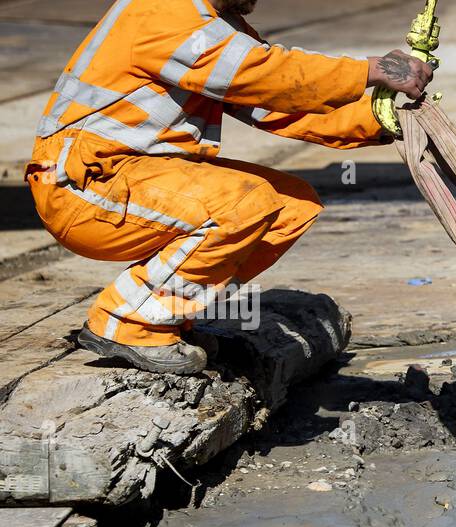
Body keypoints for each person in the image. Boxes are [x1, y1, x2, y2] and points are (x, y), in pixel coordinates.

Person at [25, 0, 434, 374]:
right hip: (85, 186)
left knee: (290, 207)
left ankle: (170, 317)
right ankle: (131, 323)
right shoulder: (162, 12)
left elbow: (277, 103)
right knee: (244, 204)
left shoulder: (214, 25)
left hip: (130, 177)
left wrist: (379, 117)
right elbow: (268, 76)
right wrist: (372, 70)